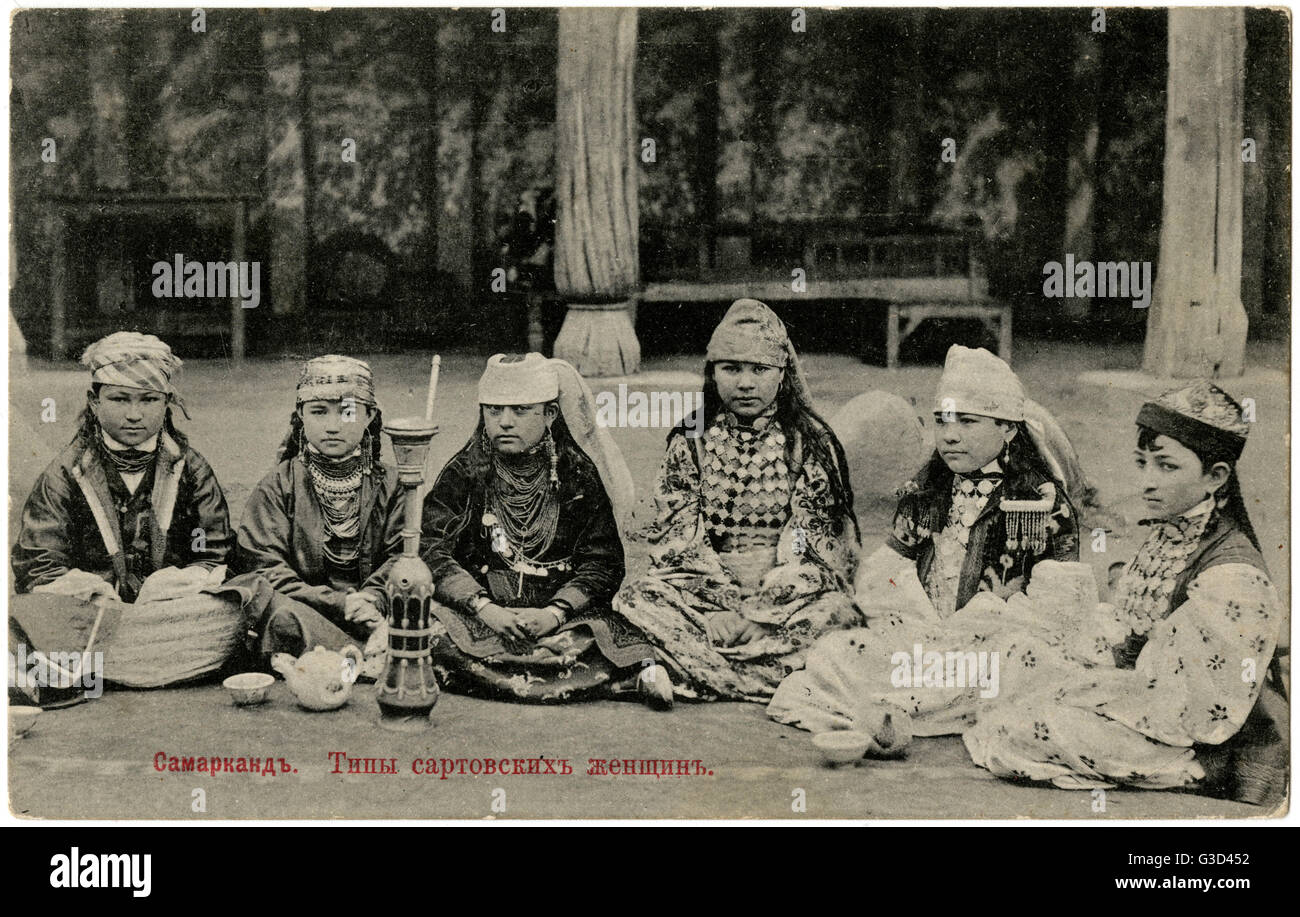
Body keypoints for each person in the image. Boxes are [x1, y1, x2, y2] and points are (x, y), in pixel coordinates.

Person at [964, 382, 1286, 807]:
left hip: (1193, 742)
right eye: (1142, 464)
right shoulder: (1168, 535)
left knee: (1027, 724)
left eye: (1167, 467)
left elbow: (1198, 705)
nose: (1148, 483)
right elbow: (1126, 631)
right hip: (1144, 698)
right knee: (1013, 660)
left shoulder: (1232, 574)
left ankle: (1178, 777)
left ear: (1216, 477)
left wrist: (1097, 684)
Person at [767, 344, 1079, 734]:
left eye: (967, 422)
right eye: (942, 422)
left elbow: (1060, 604)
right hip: (920, 639)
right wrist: (914, 620)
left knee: (1022, 661)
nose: (950, 437)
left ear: (1008, 429)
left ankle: (899, 710)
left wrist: (986, 619)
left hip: (991, 644)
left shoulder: (1042, 501)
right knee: (836, 651)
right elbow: (887, 575)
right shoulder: (925, 494)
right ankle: (910, 708)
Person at [613, 299, 862, 702]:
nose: (745, 383)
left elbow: (813, 542)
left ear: (782, 376)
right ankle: (771, 675)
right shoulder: (690, 442)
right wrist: (717, 609)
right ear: (712, 374)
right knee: (636, 598)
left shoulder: (807, 444)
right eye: (731, 369)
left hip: (785, 590)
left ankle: (688, 671)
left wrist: (762, 613)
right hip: (704, 592)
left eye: (759, 369)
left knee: (836, 611)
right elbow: (677, 536)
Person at [419, 352, 671, 707]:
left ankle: (493, 679)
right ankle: (611, 684)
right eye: (494, 411)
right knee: (427, 627)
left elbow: (603, 562)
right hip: (482, 615)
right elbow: (431, 547)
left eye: (521, 411)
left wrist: (554, 613)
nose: (505, 422)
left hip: (560, 619)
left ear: (550, 414)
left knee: (598, 638)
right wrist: (485, 608)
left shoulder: (577, 475)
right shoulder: (465, 472)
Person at [10, 332, 236, 700]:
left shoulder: (191, 469)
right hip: (91, 614)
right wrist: (91, 591)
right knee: (29, 612)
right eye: (119, 399)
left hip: (171, 614)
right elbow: (40, 564)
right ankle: (152, 664)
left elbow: (215, 552)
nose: (134, 414)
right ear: (94, 402)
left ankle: (99, 665)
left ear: (167, 404)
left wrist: (175, 586)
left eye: (148, 400)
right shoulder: (65, 473)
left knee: (243, 598)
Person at [230, 355, 404, 671]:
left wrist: (373, 599)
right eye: (319, 412)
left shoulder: (392, 484)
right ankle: (365, 658)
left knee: (429, 605)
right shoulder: (279, 484)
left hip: (378, 610)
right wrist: (339, 603)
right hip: (310, 609)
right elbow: (265, 564)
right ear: (300, 414)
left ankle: (348, 657)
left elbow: (402, 555)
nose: (333, 426)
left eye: (348, 411)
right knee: (283, 619)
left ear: (369, 416)